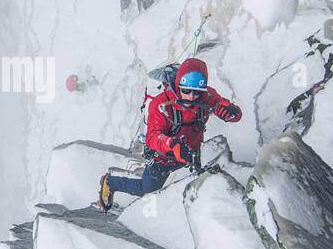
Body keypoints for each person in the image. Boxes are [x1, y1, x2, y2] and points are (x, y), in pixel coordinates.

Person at [98, 57, 241, 211]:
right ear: (179, 85)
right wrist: (171, 145)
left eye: (197, 92)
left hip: (193, 154)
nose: (191, 96)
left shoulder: (208, 96)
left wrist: (230, 112)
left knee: (196, 188)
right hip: (163, 159)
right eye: (186, 91)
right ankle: (111, 182)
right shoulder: (161, 104)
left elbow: (235, 115)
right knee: (147, 190)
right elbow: (152, 137)